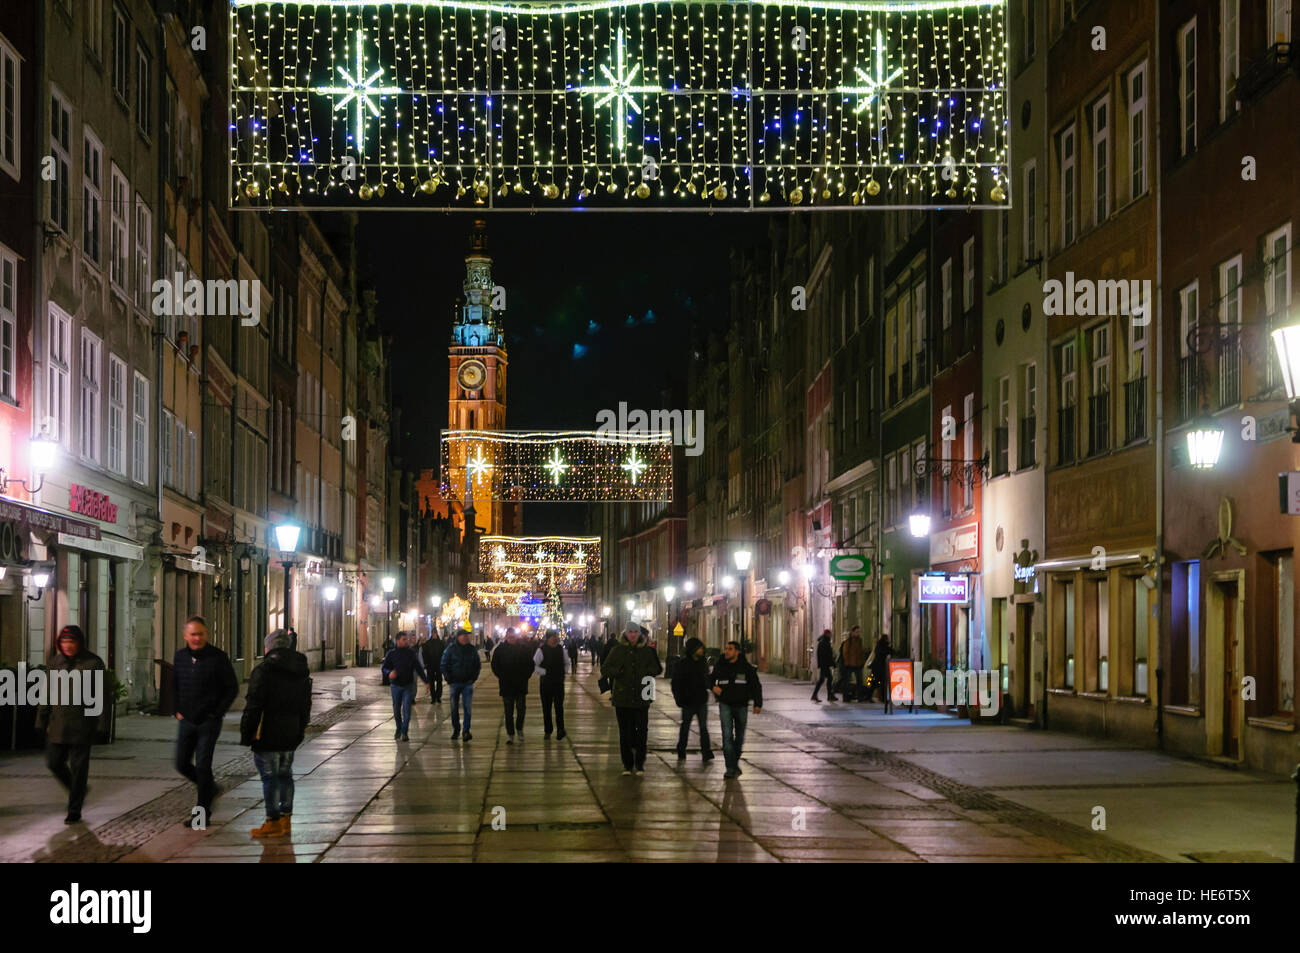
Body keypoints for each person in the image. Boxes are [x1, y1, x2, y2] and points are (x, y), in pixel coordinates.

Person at [240, 630, 312, 837]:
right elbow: (305, 705)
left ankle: (273, 821)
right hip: (290, 732)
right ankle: (286, 819)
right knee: (286, 775)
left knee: (270, 777)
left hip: (267, 733)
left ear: (268, 648)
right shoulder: (301, 670)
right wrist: (300, 728)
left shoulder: (263, 670)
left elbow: (254, 704)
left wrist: (247, 733)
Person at [37, 625, 111, 824]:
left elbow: (102, 696)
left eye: (71, 642)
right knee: (53, 762)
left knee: (79, 768)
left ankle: (74, 809)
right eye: (64, 642)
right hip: (58, 724)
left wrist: (103, 726)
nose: (68, 646)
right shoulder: (56, 662)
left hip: (82, 724)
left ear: (79, 643)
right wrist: (41, 718)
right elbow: (47, 692)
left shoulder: (93, 663)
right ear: (59, 643)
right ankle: (77, 790)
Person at [173, 616, 239, 825]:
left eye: (200, 634)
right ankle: (210, 788)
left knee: (202, 765)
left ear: (206, 635)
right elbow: (174, 684)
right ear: (185, 636)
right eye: (193, 634)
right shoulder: (180, 657)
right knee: (181, 763)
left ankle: (201, 816)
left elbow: (232, 687)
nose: (197, 638)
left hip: (208, 722)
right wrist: (177, 709)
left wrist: (217, 713)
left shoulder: (218, 657)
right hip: (187, 720)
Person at [602, 621, 662, 776]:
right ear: (626, 634)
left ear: (640, 634)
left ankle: (640, 764)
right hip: (623, 697)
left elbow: (657, 669)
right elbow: (606, 668)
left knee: (642, 732)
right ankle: (627, 764)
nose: (633, 635)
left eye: (635, 632)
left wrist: (647, 671)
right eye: (630, 632)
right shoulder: (617, 650)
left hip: (643, 695)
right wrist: (618, 671)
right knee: (625, 733)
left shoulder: (647, 651)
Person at [709, 641, 763, 780]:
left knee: (739, 738)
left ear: (737, 652)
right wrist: (713, 687)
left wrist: (758, 704)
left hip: (741, 706)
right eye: (726, 649)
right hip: (725, 704)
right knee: (727, 737)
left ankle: (734, 764)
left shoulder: (746, 668)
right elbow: (709, 679)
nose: (727, 651)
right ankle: (730, 768)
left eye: (730, 649)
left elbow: (756, 685)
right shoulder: (720, 666)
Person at [670, 637, 714, 763]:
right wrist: (679, 698)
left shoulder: (703, 663)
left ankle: (706, 752)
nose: (702, 650)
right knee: (685, 726)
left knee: (703, 727)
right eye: (699, 648)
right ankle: (681, 749)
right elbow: (676, 683)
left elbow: (707, 679)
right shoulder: (682, 664)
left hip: (701, 700)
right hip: (688, 701)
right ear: (693, 649)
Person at [381, 632, 428, 742]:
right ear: (398, 641)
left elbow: (418, 668)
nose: (406, 641)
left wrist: (426, 681)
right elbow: (384, 668)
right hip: (396, 686)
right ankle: (398, 728)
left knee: (407, 709)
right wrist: (389, 673)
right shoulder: (391, 654)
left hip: (408, 685)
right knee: (396, 709)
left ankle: (404, 731)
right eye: (404, 639)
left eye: (406, 639)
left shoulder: (411, 653)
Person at [491, 627, 533, 743]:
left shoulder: (523, 649)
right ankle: (510, 734)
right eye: (510, 637)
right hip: (506, 685)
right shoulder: (500, 650)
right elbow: (494, 665)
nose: (512, 639)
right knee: (508, 711)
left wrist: (525, 676)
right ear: (506, 637)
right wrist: (501, 676)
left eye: (513, 637)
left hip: (520, 685)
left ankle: (519, 729)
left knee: (521, 710)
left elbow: (530, 664)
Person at [441, 629, 481, 742]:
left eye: (467, 636)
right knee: (454, 708)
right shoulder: (451, 649)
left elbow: (477, 665)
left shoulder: (472, 649)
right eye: (463, 636)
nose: (466, 637)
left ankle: (466, 731)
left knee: (467, 708)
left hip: (467, 683)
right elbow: (443, 664)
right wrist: (448, 678)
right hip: (454, 683)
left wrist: (473, 678)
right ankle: (456, 729)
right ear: (458, 637)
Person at [533, 630, 570, 739]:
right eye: (554, 636)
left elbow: (567, 663)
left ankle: (560, 729)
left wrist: (564, 671)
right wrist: (544, 672)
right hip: (546, 683)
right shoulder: (541, 650)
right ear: (548, 638)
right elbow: (534, 665)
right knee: (547, 708)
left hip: (558, 682)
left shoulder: (561, 650)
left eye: (556, 636)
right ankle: (548, 730)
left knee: (559, 707)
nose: (555, 638)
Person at [840, 625, 866, 701]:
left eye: (859, 632)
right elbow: (845, 653)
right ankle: (846, 697)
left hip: (858, 664)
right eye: (857, 632)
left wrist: (862, 662)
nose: (858, 633)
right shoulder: (848, 641)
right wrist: (847, 663)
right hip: (849, 665)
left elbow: (861, 652)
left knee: (860, 681)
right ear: (853, 632)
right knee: (847, 682)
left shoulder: (859, 641)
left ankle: (860, 697)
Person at [811, 629, 838, 703]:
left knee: (824, 679)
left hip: (824, 664)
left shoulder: (823, 642)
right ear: (827, 634)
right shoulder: (824, 642)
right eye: (830, 634)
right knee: (827, 679)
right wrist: (832, 663)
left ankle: (819, 695)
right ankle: (828, 695)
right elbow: (827, 655)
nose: (831, 635)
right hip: (824, 665)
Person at [869, 632, 893, 713]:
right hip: (880, 667)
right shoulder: (883, 646)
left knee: (875, 682)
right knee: (879, 682)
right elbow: (888, 652)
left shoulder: (878, 645)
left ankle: (874, 696)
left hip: (877, 667)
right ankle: (881, 697)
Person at [421, 630, 446, 704]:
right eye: (433, 633)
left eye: (435, 633)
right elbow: (424, 653)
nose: (434, 635)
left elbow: (444, 653)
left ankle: (438, 696)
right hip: (430, 665)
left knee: (439, 681)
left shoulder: (441, 643)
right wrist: (426, 663)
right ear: (431, 634)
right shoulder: (428, 643)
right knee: (431, 682)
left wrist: (443, 663)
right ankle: (433, 697)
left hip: (438, 665)